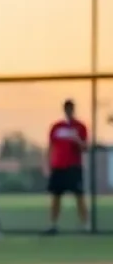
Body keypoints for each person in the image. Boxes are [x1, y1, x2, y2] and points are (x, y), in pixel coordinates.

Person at [42, 99, 88, 235]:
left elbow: (84, 147)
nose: (69, 111)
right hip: (58, 166)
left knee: (79, 196)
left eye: (71, 108)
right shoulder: (56, 127)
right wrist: (48, 164)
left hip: (74, 166)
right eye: (67, 108)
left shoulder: (80, 127)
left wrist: (77, 139)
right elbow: (50, 147)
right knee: (56, 196)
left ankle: (85, 225)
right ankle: (53, 225)